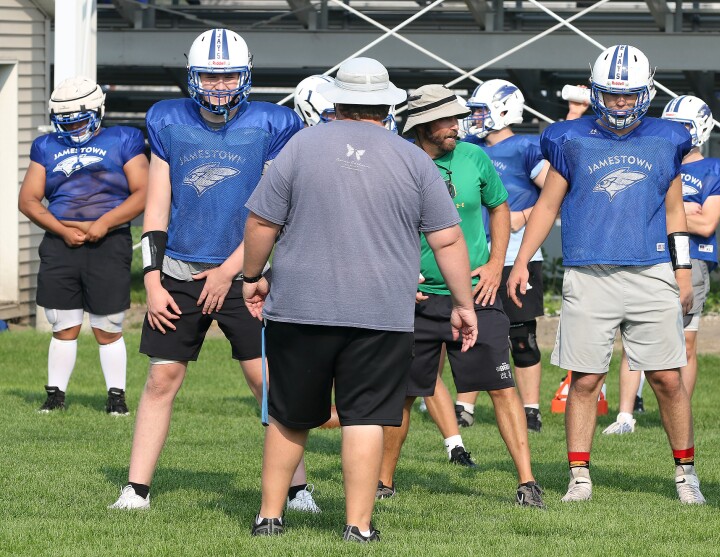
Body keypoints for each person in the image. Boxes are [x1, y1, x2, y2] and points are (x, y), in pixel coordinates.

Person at [241, 58, 478, 542]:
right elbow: (448, 239)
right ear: (387, 105)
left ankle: (269, 518)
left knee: (289, 416)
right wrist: (464, 304)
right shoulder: (414, 159)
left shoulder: (300, 146)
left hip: (300, 305)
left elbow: (262, 222)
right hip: (382, 312)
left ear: (337, 101)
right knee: (366, 417)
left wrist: (251, 277)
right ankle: (358, 526)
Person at [108, 28, 319, 514]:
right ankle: (136, 489)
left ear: (245, 76)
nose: (219, 86)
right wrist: (152, 279)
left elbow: (273, 213)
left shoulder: (273, 123)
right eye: (209, 76)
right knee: (161, 379)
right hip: (180, 270)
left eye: (227, 77)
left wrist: (230, 271)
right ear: (192, 76)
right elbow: (156, 207)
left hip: (247, 275)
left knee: (266, 382)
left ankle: (297, 489)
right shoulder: (168, 119)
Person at [508, 44, 705, 504]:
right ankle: (579, 476)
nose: (619, 102)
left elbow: (674, 212)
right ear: (596, 91)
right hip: (589, 272)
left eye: (628, 95)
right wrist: (520, 261)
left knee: (668, 379)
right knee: (585, 379)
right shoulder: (570, 138)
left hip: (651, 269)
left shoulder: (667, 138)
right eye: (612, 94)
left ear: (645, 93)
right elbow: (547, 206)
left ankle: (686, 472)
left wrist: (682, 272)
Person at [378, 84, 545, 509]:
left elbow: (500, 206)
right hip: (415, 301)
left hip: (476, 296)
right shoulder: (397, 160)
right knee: (402, 393)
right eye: (447, 120)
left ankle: (527, 483)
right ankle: (383, 482)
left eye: (457, 118)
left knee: (502, 388)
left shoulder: (474, 156)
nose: (457, 125)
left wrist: (495, 264)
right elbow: (376, 220)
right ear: (421, 125)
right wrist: (397, 273)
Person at [605, 95, 720, 435]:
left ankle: (681, 413)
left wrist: (664, 211)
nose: (676, 132)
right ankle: (625, 416)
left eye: (684, 125)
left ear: (701, 129)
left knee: (686, 342)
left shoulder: (716, 170)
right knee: (635, 335)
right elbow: (632, 211)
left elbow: (706, 224)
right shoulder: (651, 158)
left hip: (691, 260)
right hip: (649, 255)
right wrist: (681, 210)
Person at [18, 76, 148, 415]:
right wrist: (61, 230)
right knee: (62, 323)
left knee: (109, 324)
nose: (73, 126)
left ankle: (116, 397)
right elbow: (28, 199)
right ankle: (55, 396)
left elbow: (143, 192)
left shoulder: (124, 138)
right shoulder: (46, 145)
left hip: (110, 240)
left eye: (79, 119)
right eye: (67, 120)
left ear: (97, 110)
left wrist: (105, 222)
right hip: (61, 242)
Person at [447, 79, 549, 433]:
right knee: (474, 331)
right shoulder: (468, 149)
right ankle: (465, 406)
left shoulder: (525, 148)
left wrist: (524, 215)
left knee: (522, 336)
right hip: (477, 255)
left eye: (480, 111)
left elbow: (556, 193)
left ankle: (531, 409)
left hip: (518, 256)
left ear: (504, 110)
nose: (474, 118)